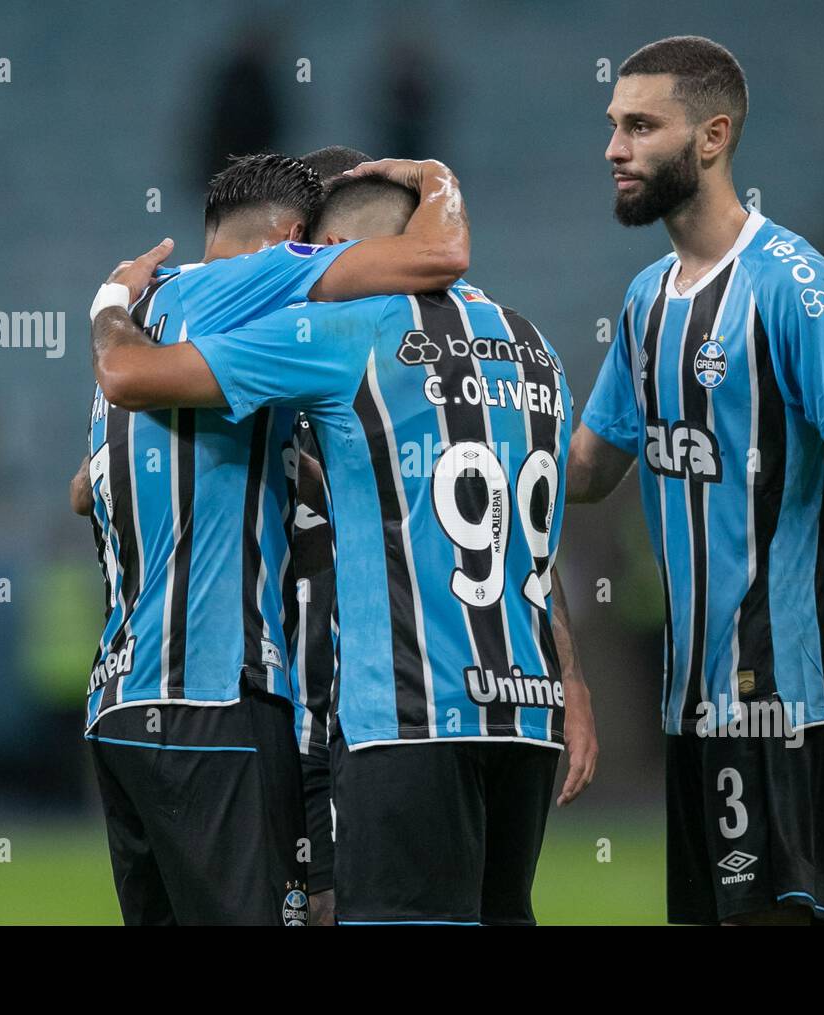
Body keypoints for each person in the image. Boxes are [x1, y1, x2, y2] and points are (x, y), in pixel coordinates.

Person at [87, 173, 598, 925]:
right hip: (524, 711)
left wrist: (110, 306)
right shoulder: (535, 348)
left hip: (405, 715)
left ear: (338, 251)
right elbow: (532, 540)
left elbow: (130, 379)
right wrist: (572, 680)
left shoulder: (335, 339)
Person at [570, 35, 824, 925]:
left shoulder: (796, 289)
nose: (614, 149)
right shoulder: (645, 301)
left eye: (639, 126)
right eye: (612, 126)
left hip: (783, 693)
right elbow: (587, 468)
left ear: (713, 136)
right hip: (691, 698)